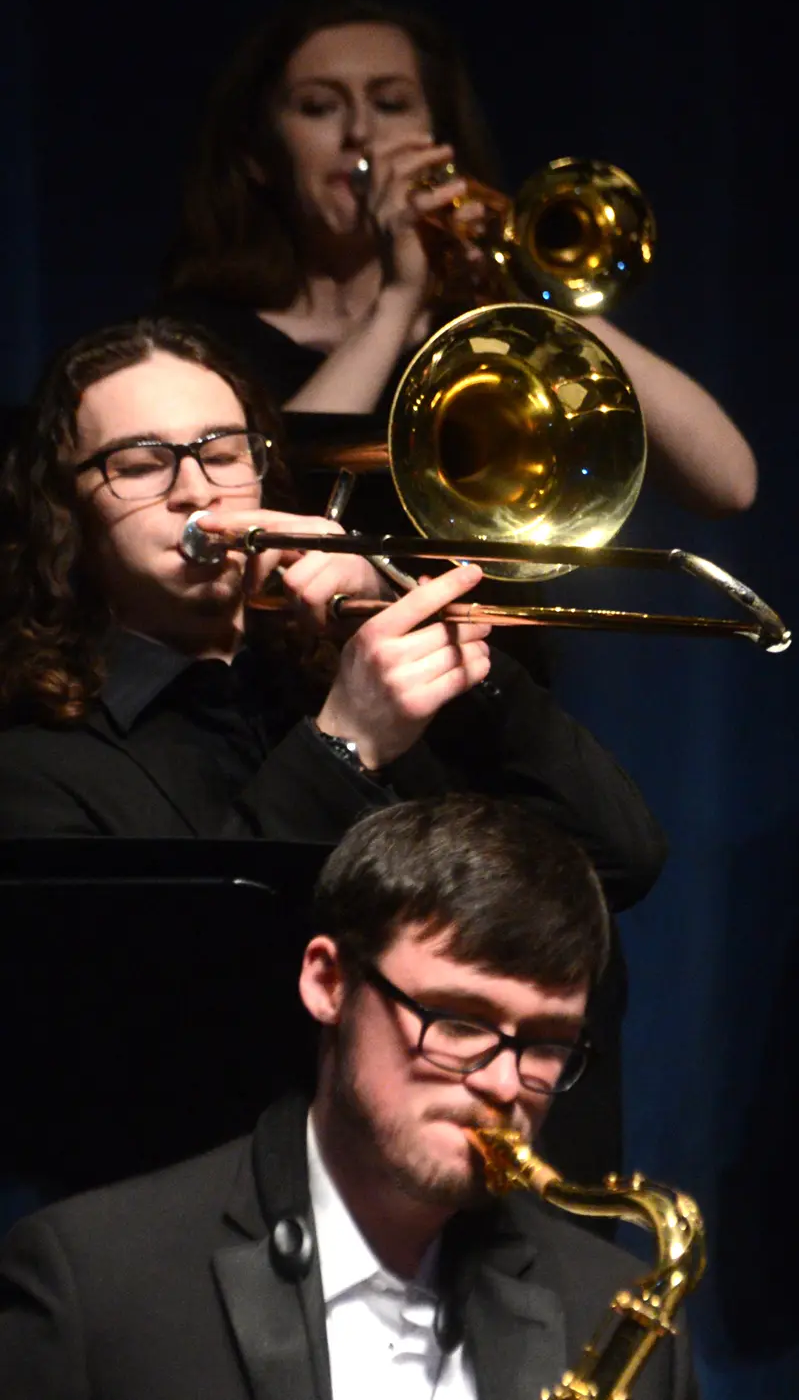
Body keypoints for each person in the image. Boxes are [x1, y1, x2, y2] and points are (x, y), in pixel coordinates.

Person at [0, 315, 664, 1181]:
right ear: (67, 511)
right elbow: (170, 1018)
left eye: (221, 452)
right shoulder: (38, 767)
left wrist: (433, 630)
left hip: (490, 1226)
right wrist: (343, 747)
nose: (193, 490)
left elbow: (621, 857)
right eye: (138, 463)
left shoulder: (353, 680)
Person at [0, 794, 697, 1399]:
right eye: (456, 1021)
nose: (504, 1082)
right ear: (328, 982)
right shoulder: (96, 1285)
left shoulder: (609, 1304)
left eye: (546, 1042)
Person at [161, 0, 756, 517]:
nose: (362, 134)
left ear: (437, 136)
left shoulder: (487, 322)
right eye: (319, 107)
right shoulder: (199, 340)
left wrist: (536, 289)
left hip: (490, 641)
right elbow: (266, 502)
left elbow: (728, 486)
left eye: (392, 103)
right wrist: (395, 303)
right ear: (258, 157)